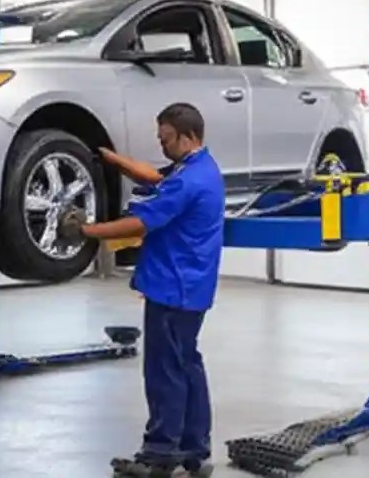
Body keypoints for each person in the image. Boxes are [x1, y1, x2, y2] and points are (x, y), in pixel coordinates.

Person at [56, 102, 226, 478]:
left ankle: (160, 455)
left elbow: (137, 224)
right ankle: (195, 452)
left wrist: (86, 231)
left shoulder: (189, 182)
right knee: (187, 366)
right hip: (191, 288)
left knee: (165, 371)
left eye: (165, 139)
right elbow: (155, 178)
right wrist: (114, 159)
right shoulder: (201, 169)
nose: (161, 145)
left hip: (173, 289)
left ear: (188, 136)